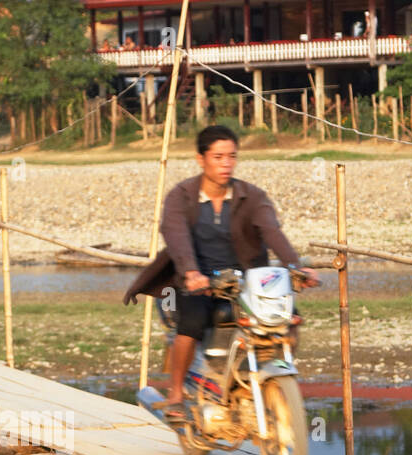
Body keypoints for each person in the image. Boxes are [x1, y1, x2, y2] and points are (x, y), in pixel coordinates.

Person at [123, 125, 317, 420]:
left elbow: (271, 231)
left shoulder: (251, 197)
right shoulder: (182, 196)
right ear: (201, 159)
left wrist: (295, 266)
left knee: (286, 319)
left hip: (245, 283)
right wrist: (190, 272)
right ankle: (176, 394)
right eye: (218, 157)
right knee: (192, 321)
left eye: (231, 157)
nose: (226, 164)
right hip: (197, 283)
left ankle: (267, 379)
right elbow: (175, 235)